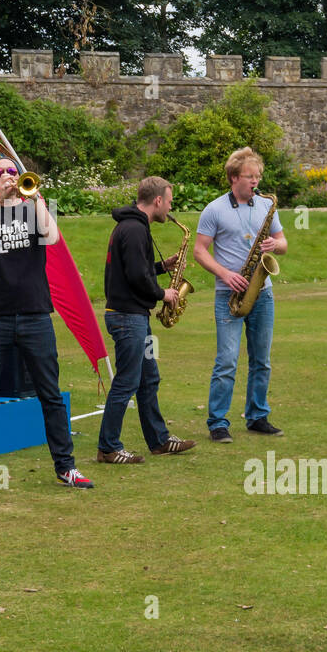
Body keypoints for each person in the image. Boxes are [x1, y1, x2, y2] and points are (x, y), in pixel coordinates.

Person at [0, 159, 93, 492]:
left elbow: (52, 237)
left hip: (35, 313)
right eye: (0, 173)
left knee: (50, 394)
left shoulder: (36, 207)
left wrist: (36, 196)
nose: (8, 177)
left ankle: (66, 467)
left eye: (13, 172)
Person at [97, 177, 196, 463]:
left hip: (135, 317)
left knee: (148, 378)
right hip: (128, 319)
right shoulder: (134, 229)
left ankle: (159, 440)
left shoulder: (131, 227)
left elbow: (137, 269)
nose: (171, 206)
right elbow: (137, 278)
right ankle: (108, 447)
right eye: (169, 200)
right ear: (156, 201)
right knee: (127, 382)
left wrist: (161, 267)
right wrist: (162, 293)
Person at [194, 147, 289, 443]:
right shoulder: (214, 209)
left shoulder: (265, 206)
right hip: (229, 295)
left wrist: (276, 246)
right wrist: (224, 274)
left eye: (258, 176)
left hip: (262, 293)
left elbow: (283, 243)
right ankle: (218, 422)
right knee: (227, 361)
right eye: (250, 177)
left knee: (262, 359)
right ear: (234, 177)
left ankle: (258, 415)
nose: (256, 182)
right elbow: (199, 251)